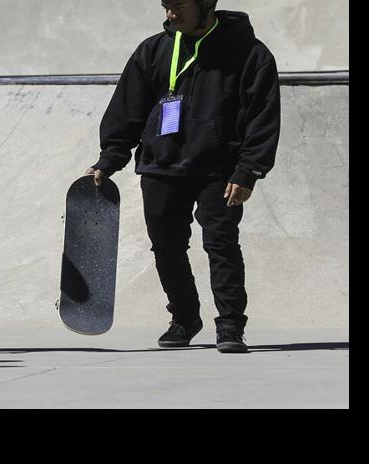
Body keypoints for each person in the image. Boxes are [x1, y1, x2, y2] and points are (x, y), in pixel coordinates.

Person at [88, 0, 280, 353]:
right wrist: (109, 159)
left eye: (178, 6)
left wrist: (249, 171)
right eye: (166, 6)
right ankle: (185, 316)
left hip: (219, 170)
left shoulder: (249, 53)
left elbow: (262, 117)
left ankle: (230, 326)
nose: (170, 14)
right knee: (166, 247)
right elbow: (128, 109)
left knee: (220, 245)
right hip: (161, 165)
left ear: (206, 4)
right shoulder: (153, 50)